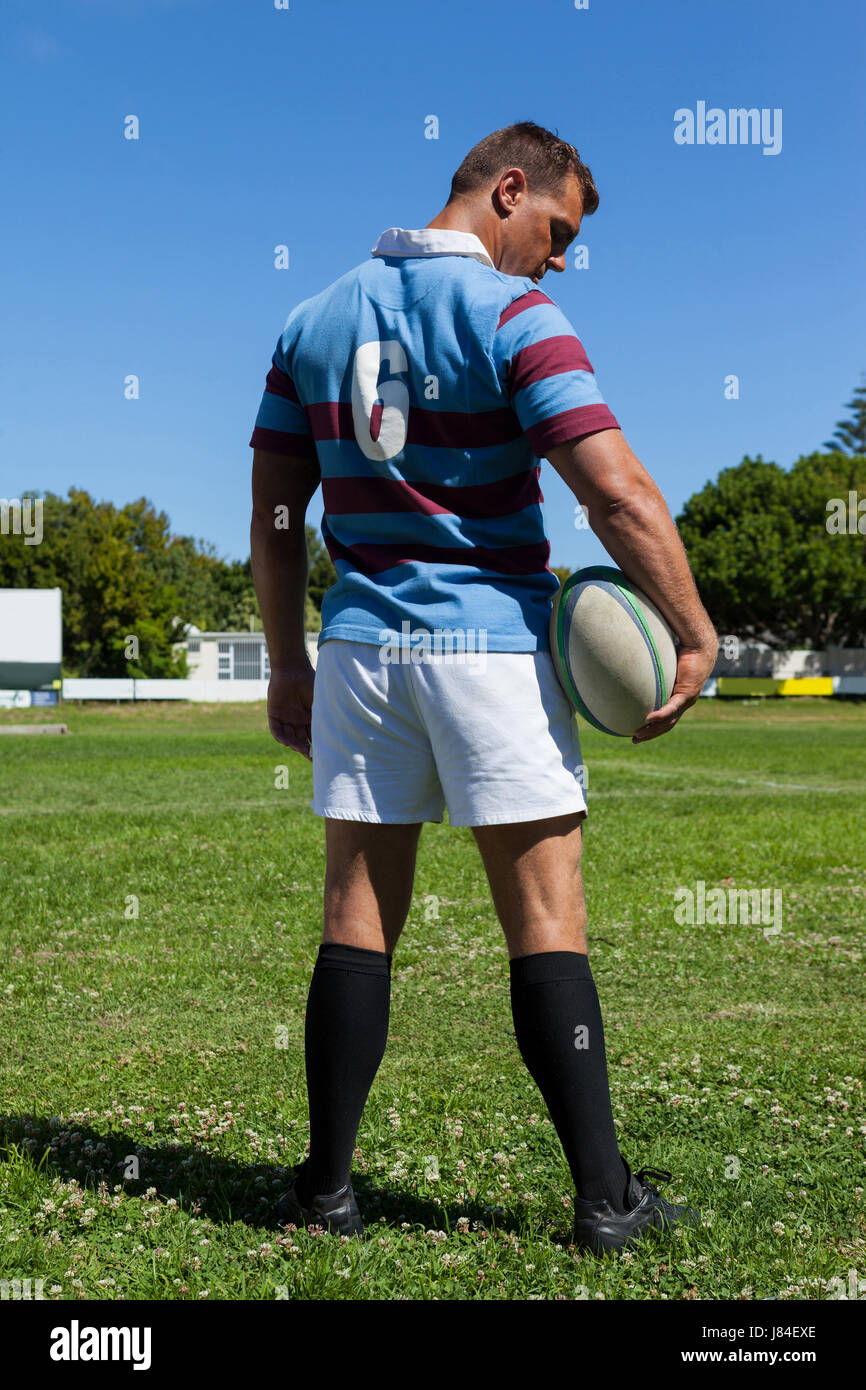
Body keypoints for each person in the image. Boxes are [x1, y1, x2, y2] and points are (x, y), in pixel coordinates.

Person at [248, 121, 718, 1255]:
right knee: (545, 921)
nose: (556, 261)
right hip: (492, 647)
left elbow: (274, 521)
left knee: (354, 921)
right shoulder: (518, 319)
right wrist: (695, 634)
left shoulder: (309, 321)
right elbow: (616, 499)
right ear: (509, 189)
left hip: (363, 650)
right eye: (555, 232)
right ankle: (605, 1202)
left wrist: (285, 658)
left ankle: (324, 1191)